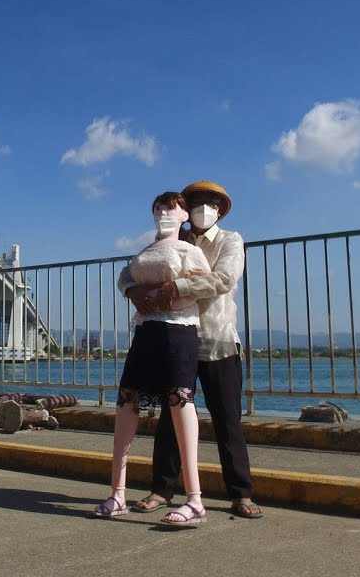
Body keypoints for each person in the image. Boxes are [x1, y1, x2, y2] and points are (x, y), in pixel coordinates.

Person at [124, 180, 263, 520]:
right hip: (177, 340)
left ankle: (241, 493)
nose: (204, 207)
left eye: (211, 202)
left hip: (217, 340)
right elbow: (131, 269)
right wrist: (132, 289)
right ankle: (162, 489)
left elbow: (224, 279)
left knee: (227, 418)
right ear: (185, 211)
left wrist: (178, 286)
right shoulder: (172, 241)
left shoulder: (231, 240)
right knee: (171, 420)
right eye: (197, 201)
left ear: (221, 209)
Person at [94, 191, 211, 527]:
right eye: (158, 207)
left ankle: (195, 500)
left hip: (179, 331)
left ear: (184, 216)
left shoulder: (191, 251)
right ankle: (118, 492)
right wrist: (134, 291)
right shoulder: (144, 252)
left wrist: (175, 288)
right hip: (146, 331)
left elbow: (207, 284)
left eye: (170, 207)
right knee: (126, 400)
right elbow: (126, 276)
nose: (163, 212)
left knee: (180, 402)